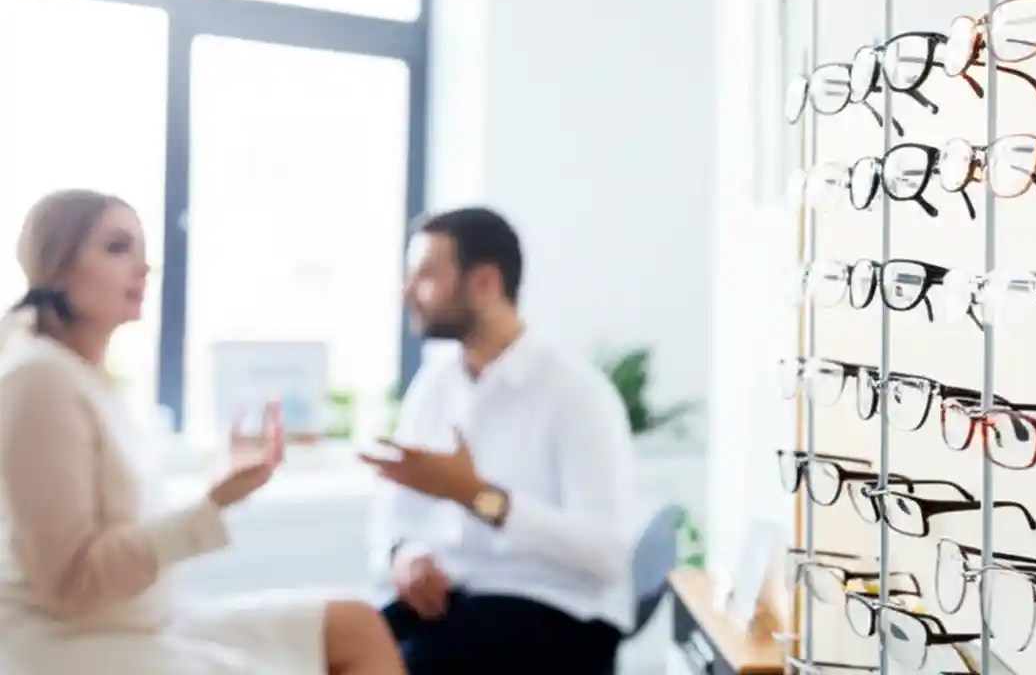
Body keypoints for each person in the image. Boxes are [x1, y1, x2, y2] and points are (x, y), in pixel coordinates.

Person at [0, 189, 406, 675]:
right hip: (73, 645)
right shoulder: (39, 380)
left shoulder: (89, 380)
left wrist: (217, 493)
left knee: (354, 626)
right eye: (116, 247)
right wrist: (211, 505)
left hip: (146, 625)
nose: (144, 267)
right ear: (57, 267)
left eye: (142, 249)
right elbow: (70, 585)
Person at [359, 207, 637, 674]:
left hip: (555, 611)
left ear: (485, 283)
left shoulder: (576, 393)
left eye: (426, 275)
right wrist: (405, 556)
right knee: (344, 644)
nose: (408, 293)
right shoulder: (434, 384)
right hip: (453, 602)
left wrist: (478, 497)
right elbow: (392, 519)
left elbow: (607, 556)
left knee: (416, 664)